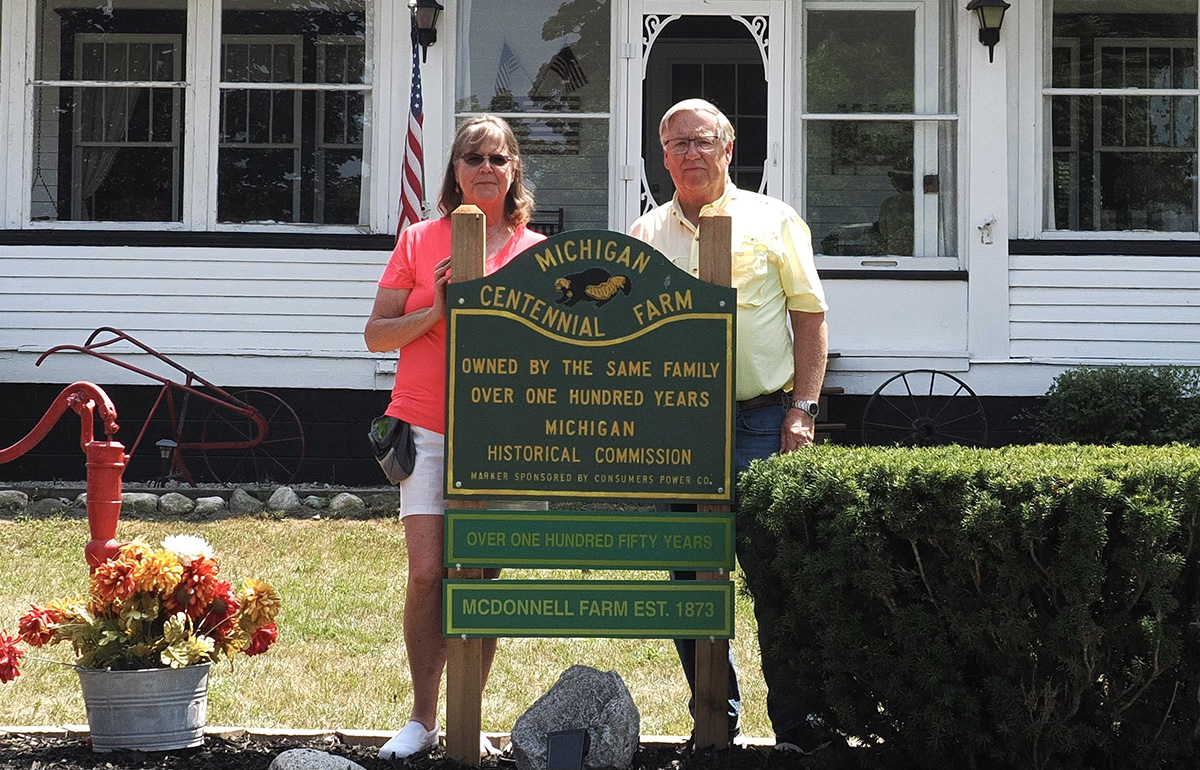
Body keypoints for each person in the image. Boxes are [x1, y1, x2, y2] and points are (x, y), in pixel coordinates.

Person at [629, 98, 831, 754]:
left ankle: (799, 731)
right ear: (663, 156)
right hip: (679, 432)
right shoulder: (644, 236)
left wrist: (803, 409)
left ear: (728, 147)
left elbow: (809, 319)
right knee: (687, 584)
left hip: (763, 421)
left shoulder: (774, 222)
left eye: (702, 142)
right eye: (677, 144)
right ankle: (715, 724)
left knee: (775, 574)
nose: (690, 154)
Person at [364, 115, 546, 761]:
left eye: (498, 157)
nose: (486, 167)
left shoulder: (537, 250)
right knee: (427, 574)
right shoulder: (420, 239)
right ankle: (421, 718)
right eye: (473, 157)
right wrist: (436, 308)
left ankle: (467, 713)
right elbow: (376, 334)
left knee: (483, 576)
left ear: (515, 168)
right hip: (427, 425)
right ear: (455, 169)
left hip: (504, 434)